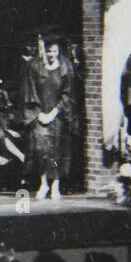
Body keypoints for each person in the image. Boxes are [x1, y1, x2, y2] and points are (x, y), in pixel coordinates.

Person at [26, 33, 76, 201]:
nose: (51, 54)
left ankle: (55, 185)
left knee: (57, 151)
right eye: (48, 51)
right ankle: (43, 183)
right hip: (39, 114)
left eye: (54, 51)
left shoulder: (66, 67)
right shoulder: (35, 66)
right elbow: (30, 92)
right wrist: (39, 114)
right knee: (41, 151)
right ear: (43, 50)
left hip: (58, 115)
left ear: (59, 50)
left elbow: (67, 94)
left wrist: (54, 112)